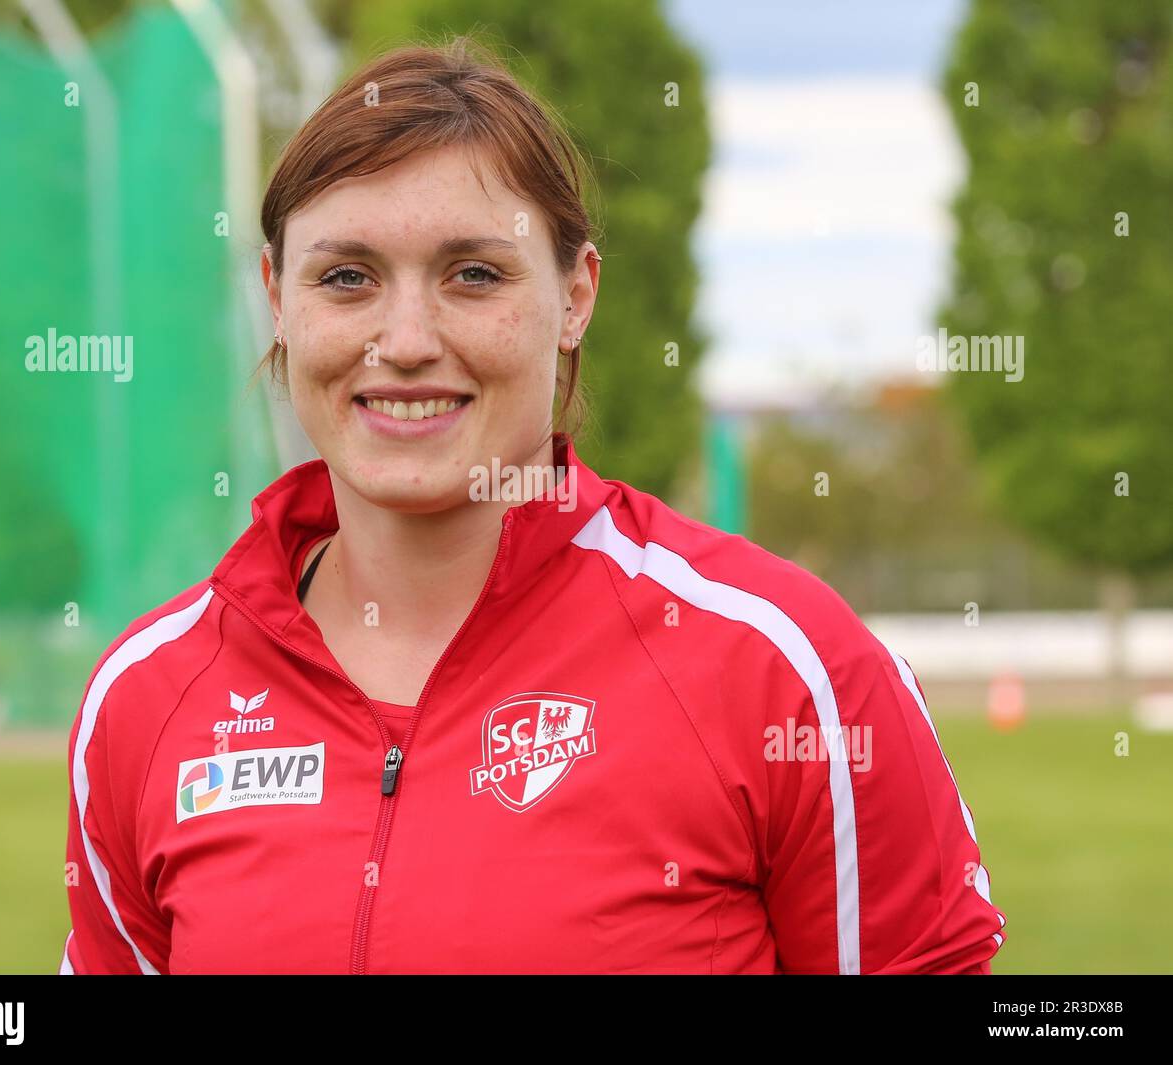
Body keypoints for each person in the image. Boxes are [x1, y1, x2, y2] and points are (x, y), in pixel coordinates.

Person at [61, 37, 1005, 975]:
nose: (406, 341)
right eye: (346, 277)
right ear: (278, 298)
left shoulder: (781, 666)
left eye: (474, 273)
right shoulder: (147, 698)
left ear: (576, 296)